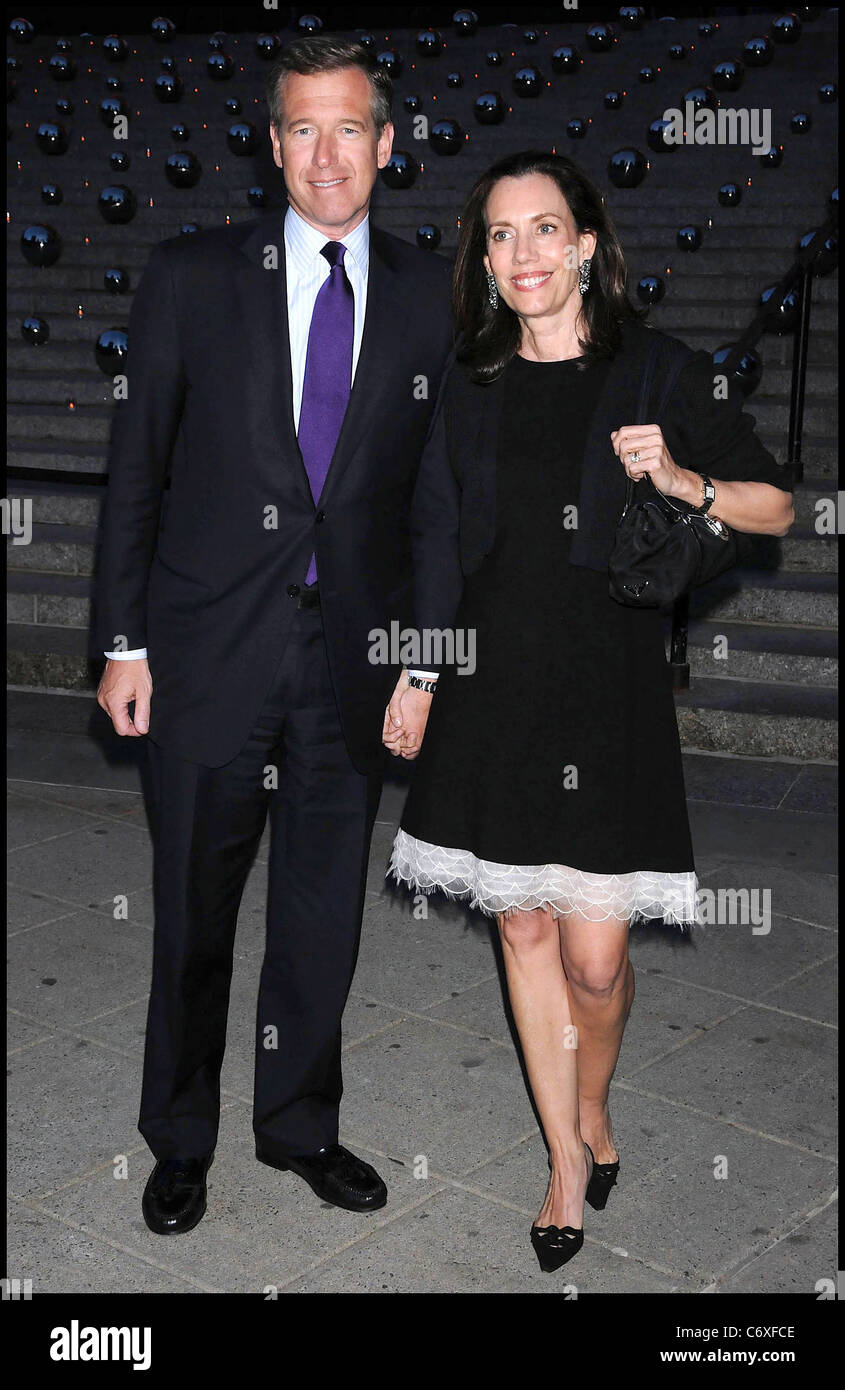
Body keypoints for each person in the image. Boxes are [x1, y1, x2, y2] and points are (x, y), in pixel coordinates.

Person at [384, 149, 794, 1271]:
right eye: (498, 234)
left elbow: (774, 503)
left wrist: (678, 479)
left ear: (584, 245)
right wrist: (417, 674)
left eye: (542, 228)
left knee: (597, 964)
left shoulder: (659, 371)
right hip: (489, 686)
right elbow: (433, 545)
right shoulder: (463, 382)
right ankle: (564, 1157)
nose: (520, 252)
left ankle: (593, 1104)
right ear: (484, 259)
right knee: (520, 923)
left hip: (605, 693)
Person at [95, 36, 453, 1234]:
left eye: (348, 126)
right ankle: (180, 1137)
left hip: (347, 663)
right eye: (301, 126)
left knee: (318, 913)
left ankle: (298, 1122)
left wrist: (420, 659)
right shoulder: (192, 275)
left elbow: (435, 500)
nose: (325, 152)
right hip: (204, 654)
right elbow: (133, 469)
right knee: (192, 912)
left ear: (386, 144)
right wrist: (122, 641)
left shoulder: (424, 294)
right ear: (271, 141)